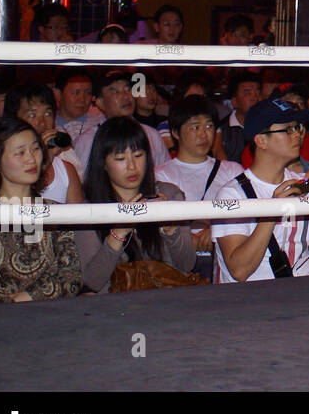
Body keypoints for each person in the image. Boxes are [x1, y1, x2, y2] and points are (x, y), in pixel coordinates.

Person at [212, 96, 309, 282]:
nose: (297, 135)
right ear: (261, 141)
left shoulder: (303, 183)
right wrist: (272, 211)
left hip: (301, 297)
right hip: (251, 304)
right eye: (288, 129)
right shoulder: (232, 193)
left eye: (297, 127)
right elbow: (239, 270)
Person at [0, 118, 82, 304]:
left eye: (36, 148)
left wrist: (27, 297)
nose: (31, 158)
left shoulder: (54, 211)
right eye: (20, 152)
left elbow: (71, 277)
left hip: (55, 318)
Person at [76, 116, 196, 293]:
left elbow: (187, 264)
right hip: (113, 309)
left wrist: (170, 229)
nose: (132, 166)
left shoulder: (169, 195)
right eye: (120, 158)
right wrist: (118, 233)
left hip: (166, 301)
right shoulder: (89, 211)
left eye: (138, 155)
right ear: (103, 163)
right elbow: (92, 282)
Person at [156, 95, 245, 268]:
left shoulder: (233, 170)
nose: (204, 134)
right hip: (177, 264)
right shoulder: (161, 174)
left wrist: (216, 231)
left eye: (209, 126)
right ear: (175, 132)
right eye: (195, 127)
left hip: (223, 259)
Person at [74, 71, 172, 174]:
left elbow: (166, 176)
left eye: (128, 89)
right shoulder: (88, 141)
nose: (126, 97)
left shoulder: (151, 135)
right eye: (115, 92)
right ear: (100, 102)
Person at [4, 83, 86, 201]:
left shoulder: (65, 169)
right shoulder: (6, 162)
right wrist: (44, 160)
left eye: (48, 114)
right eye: (32, 115)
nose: (42, 122)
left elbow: (79, 217)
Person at [212, 71, 262, 164]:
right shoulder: (221, 131)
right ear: (234, 102)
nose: (256, 98)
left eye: (258, 92)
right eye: (248, 94)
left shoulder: (269, 126)